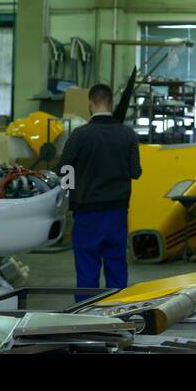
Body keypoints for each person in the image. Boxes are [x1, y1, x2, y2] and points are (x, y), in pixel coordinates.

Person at [56, 83, 142, 292]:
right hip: (117, 212)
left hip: (87, 213)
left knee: (87, 266)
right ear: (111, 103)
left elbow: (64, 170)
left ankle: (87, 316)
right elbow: (136, 172)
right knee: (116, 265)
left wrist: (75, 188)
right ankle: (118, 316)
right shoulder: (128, 134)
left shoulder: (79, 135)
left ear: (90, 103)